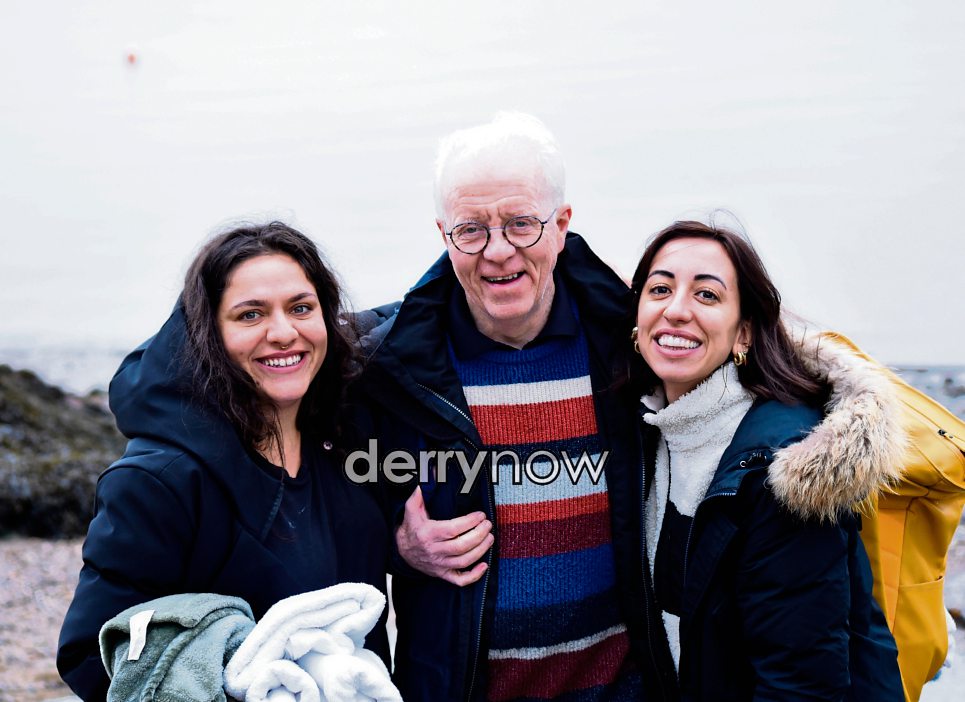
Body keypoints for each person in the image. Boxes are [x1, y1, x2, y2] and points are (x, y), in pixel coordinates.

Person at [348, 113, 647, 701]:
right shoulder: (386, 370)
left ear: (562, 225)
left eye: (521, 224)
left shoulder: (631, 347)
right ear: (444, 235)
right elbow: (324, 520)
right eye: (472, 230)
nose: (498, 252)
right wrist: (397, 549)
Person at [57, 222, 390, 701]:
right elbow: (90, 655)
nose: (284, 333)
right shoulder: (159, 482)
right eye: (250, 315)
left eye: (301, 308)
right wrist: (243, 671)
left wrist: (407, 547)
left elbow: (415, 315)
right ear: (208, 333)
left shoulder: (341, 443)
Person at [626, 220, 905, 700]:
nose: (676, 310)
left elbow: (801, 684)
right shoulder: (649, 432)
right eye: (660, 289)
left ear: (743, 334)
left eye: (707, 295)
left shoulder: (782, 468)